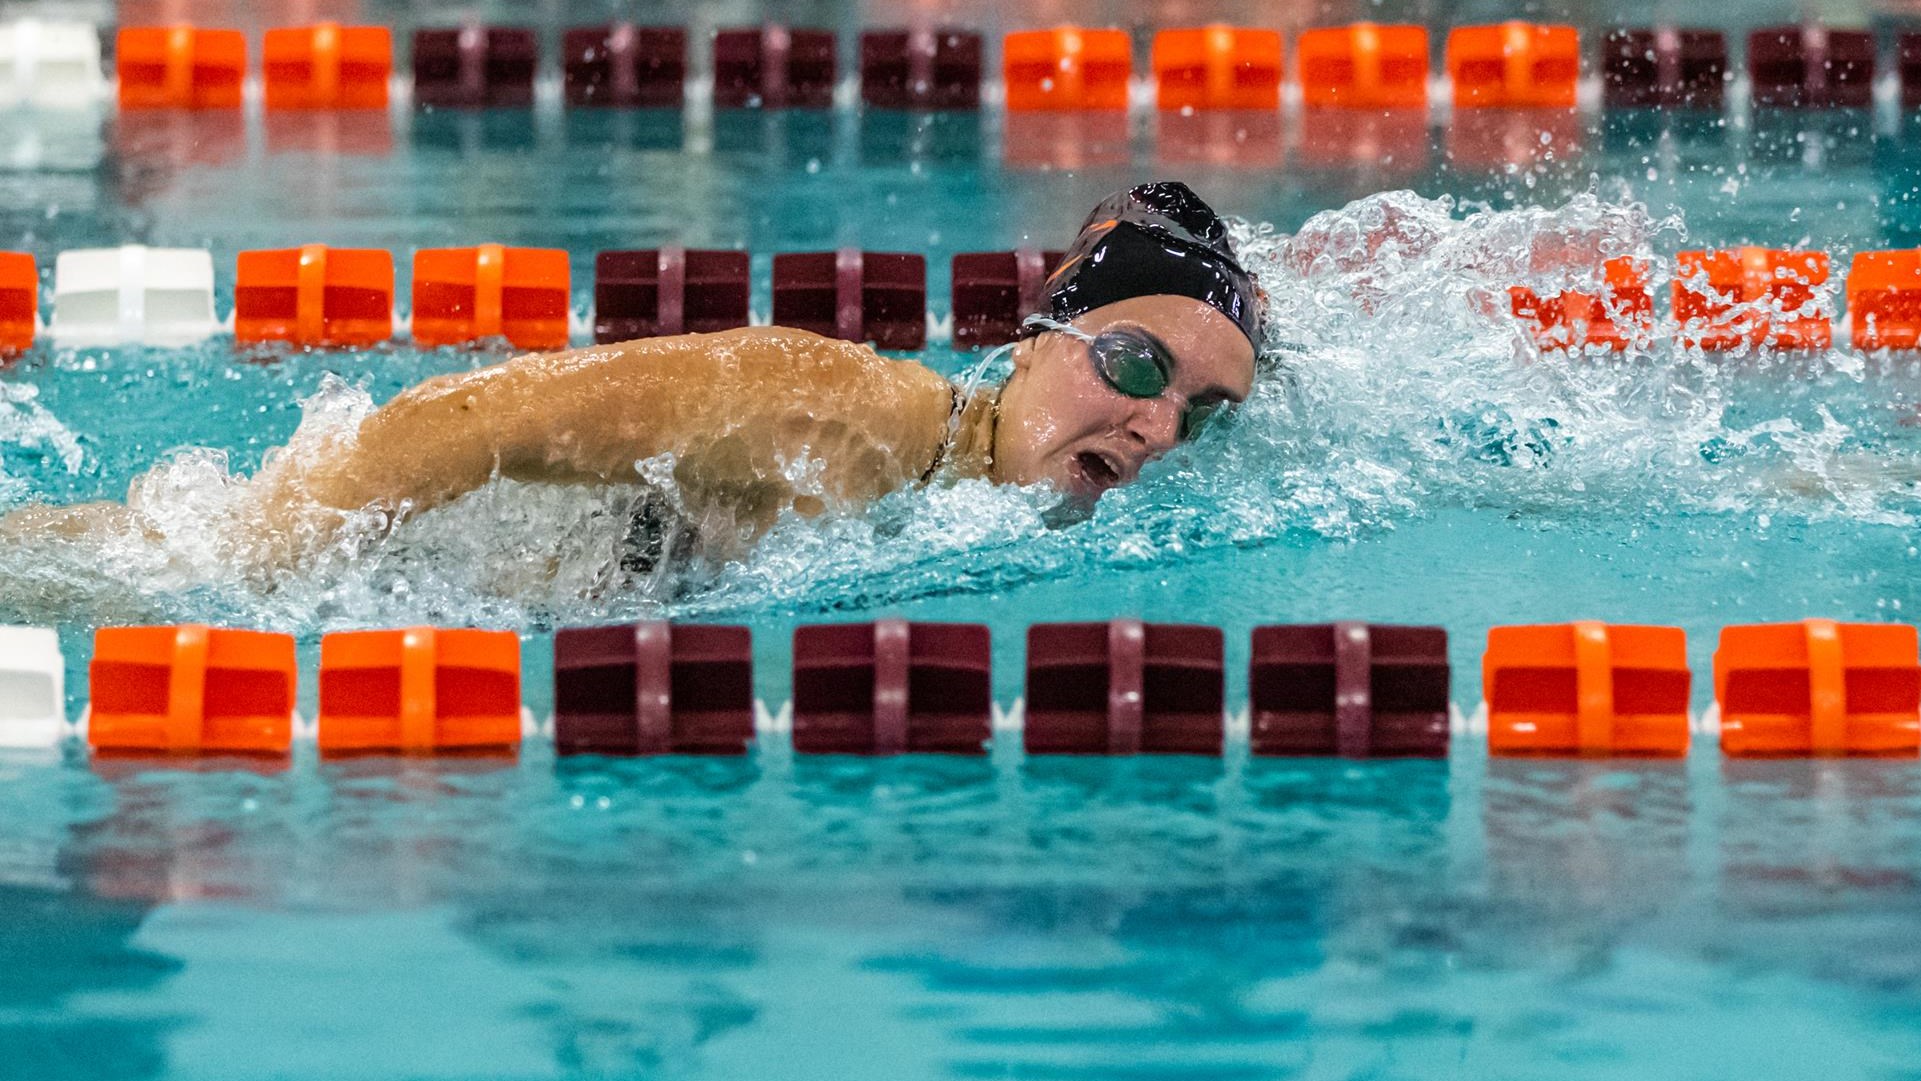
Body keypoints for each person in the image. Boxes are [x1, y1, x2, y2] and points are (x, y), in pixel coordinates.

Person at [1, 182, 1263, 569]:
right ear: (1046, 328)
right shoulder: (815, 405)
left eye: (1196, 413)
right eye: (1137, 361)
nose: (1155, 422)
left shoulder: (979, 494)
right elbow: (470, 413)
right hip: (280, 566)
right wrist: (263, 560)